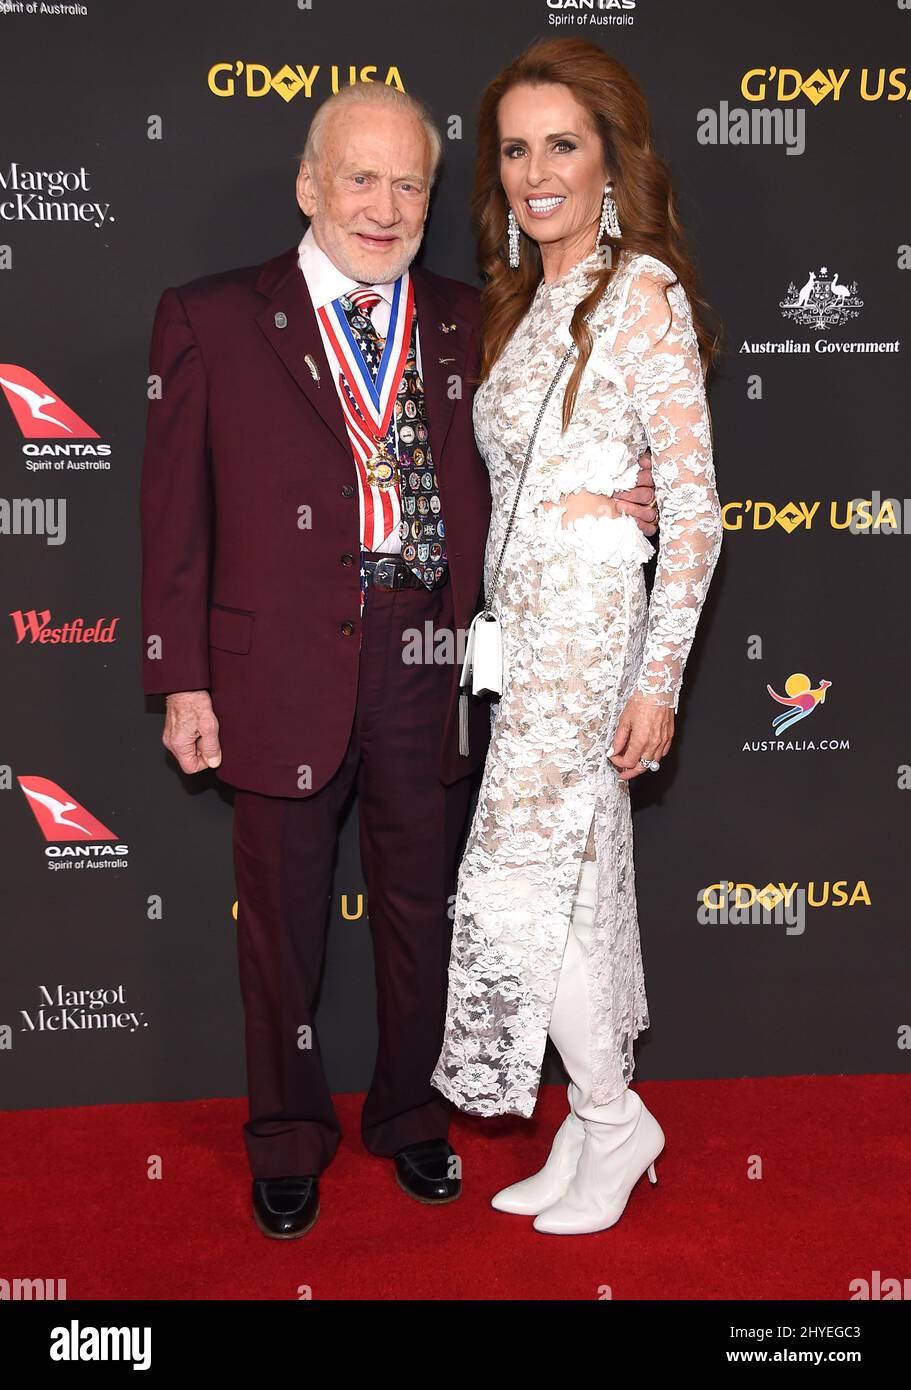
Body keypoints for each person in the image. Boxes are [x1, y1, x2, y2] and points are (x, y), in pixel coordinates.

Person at [140, 79, 659, 1238]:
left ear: (433, 198)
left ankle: (413, 1116)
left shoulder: (475, 319)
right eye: (359, 178)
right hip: (274, 666)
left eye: (409, 184)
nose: (383, 207)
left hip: (433, 654)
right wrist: (181, 677)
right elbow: (174, 518)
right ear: (308, 185)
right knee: (281, 926)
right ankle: (287, 1134)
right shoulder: (212, 317)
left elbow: (541, 452)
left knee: (425, 908)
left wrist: (616, 492)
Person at [431, 38, 723, 1235]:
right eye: (514, 150)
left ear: (611, 162)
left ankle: (608, 1118)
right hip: (527, 636)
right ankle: (597, 1119)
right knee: (576, 886)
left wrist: (657, 683)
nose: (536, 171)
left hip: (591, 635)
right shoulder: (523, 300)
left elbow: (694, 509)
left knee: (507, 892)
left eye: (562, 145)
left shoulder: (637, 291)